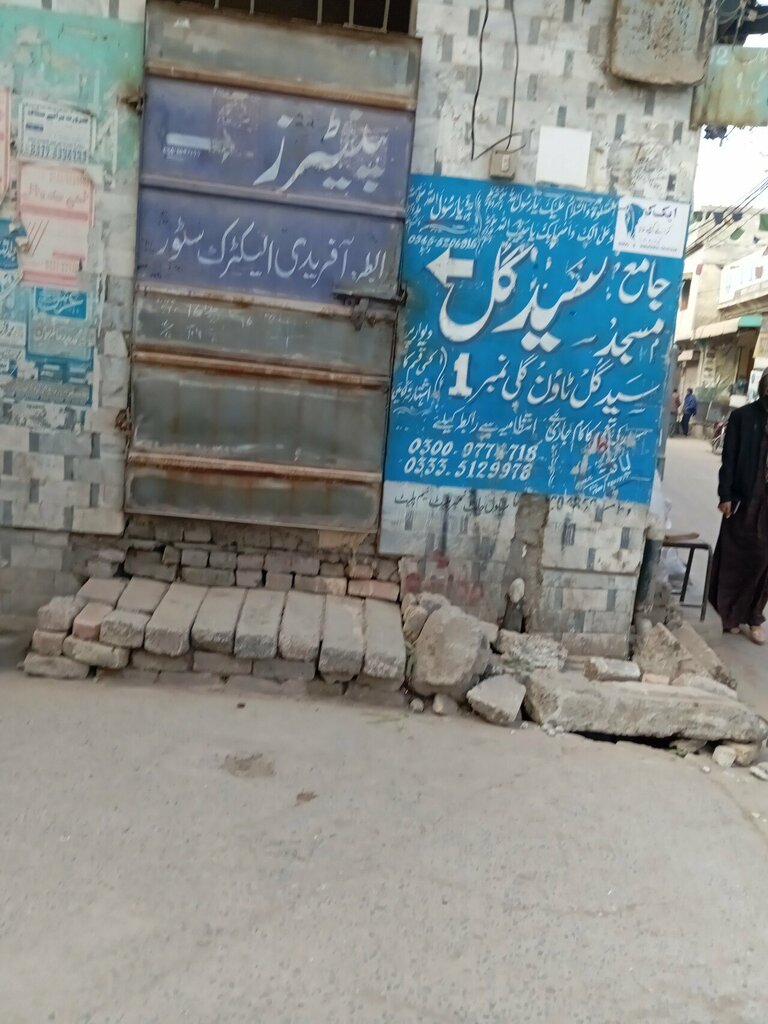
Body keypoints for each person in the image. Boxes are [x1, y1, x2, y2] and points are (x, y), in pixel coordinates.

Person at [709, 369, 768, 644]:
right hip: (744, 499)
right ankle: (728, 614)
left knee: (763, 561)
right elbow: (729, 459)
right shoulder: (743, 417)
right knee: (734, 557)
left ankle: (754, 616)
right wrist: (725, 495)